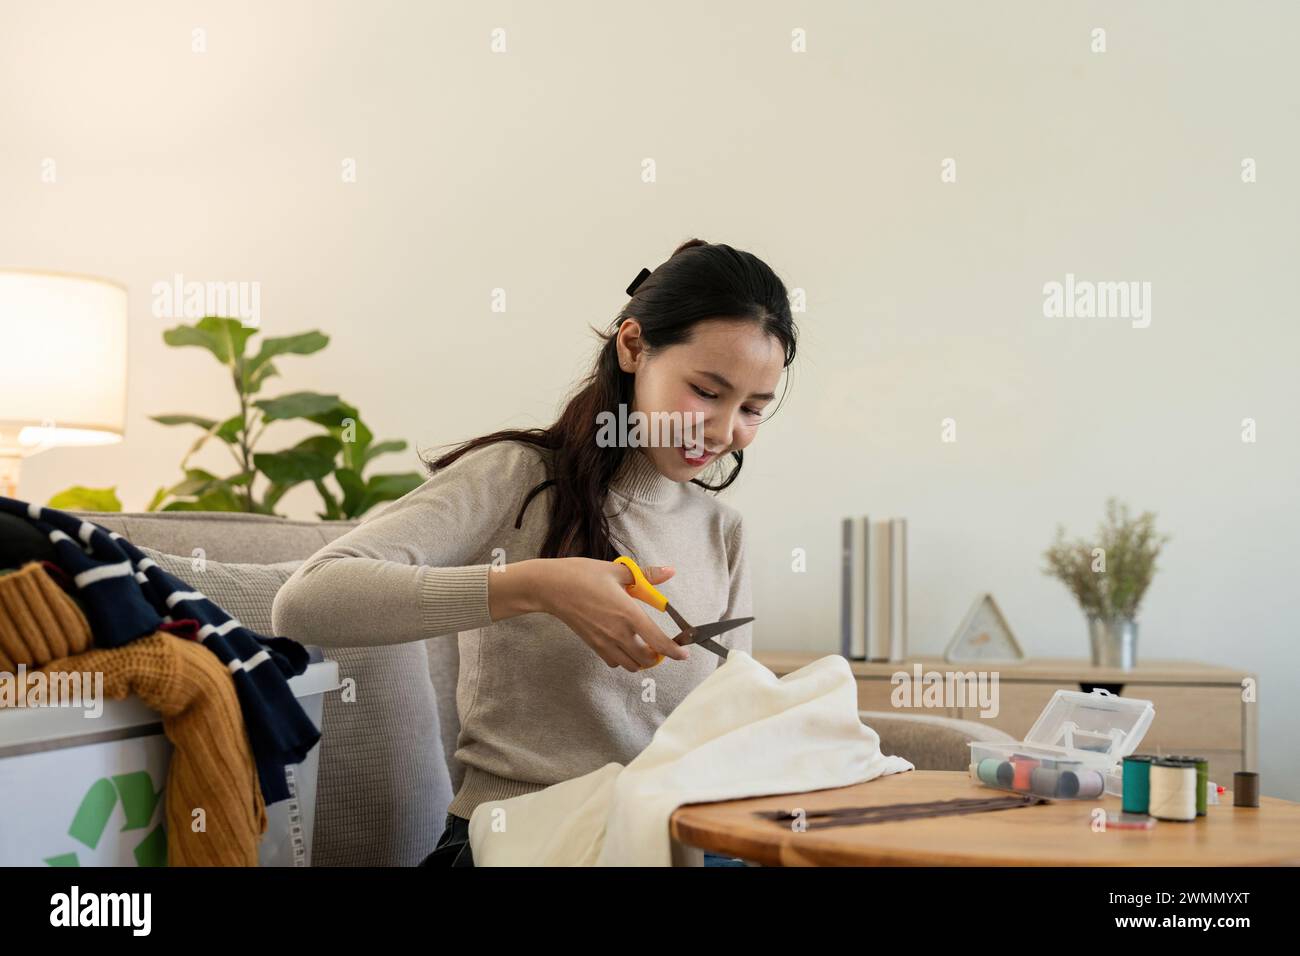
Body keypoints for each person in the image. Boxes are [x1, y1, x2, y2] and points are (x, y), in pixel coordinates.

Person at [272, 238, 797, 867]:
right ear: (633, 346)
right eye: (707, 392)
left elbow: (725, 730)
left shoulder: (723, 532)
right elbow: (306, 602)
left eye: (752, 410)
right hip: (514, 842)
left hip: (660, 846)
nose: (723, 430)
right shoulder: (516, 478)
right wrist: (534, 587)